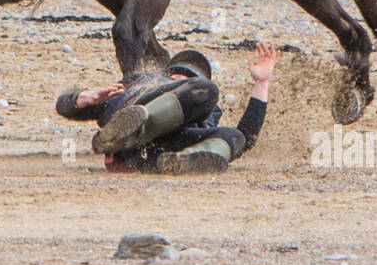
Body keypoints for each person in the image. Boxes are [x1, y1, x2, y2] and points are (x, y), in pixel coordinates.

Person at [55, 41, 280, 174]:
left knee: (233, 136)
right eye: (179, 75)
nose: (181, 79)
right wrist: (87, 97)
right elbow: (64, 106)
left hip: (156, 156)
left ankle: (188, 161)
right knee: (207, 90)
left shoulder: (209, 107)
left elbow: (246, 139)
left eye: (188, 77)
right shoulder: (143, 81)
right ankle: (134, 128)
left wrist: (262, 83)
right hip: (134, 116)